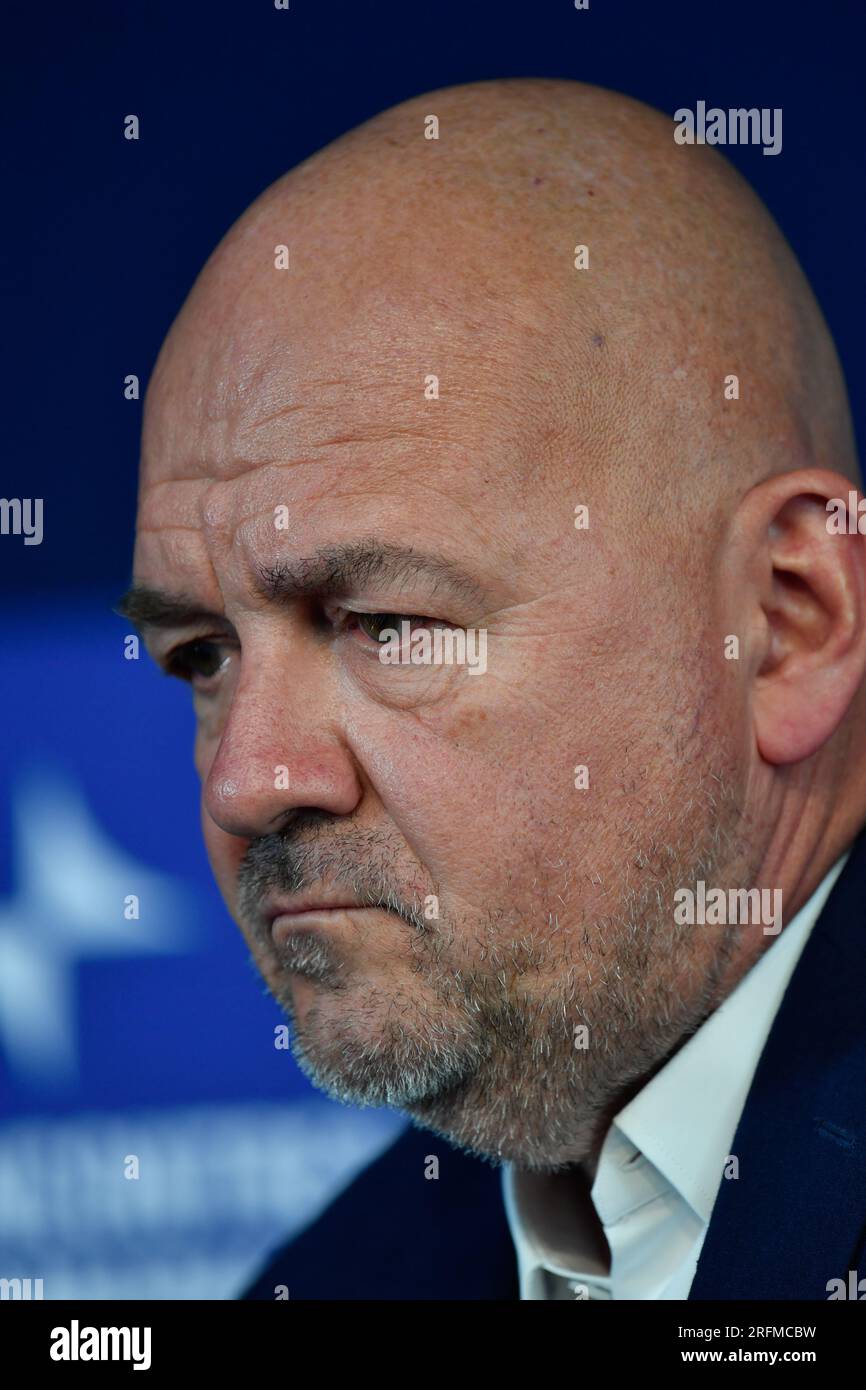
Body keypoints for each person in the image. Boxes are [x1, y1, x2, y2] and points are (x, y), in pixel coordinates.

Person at [117, 78, 866, 1300]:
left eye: (385, 625)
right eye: (202, 653)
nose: (248, 780)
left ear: (787, 625)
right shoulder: (339, 1281)